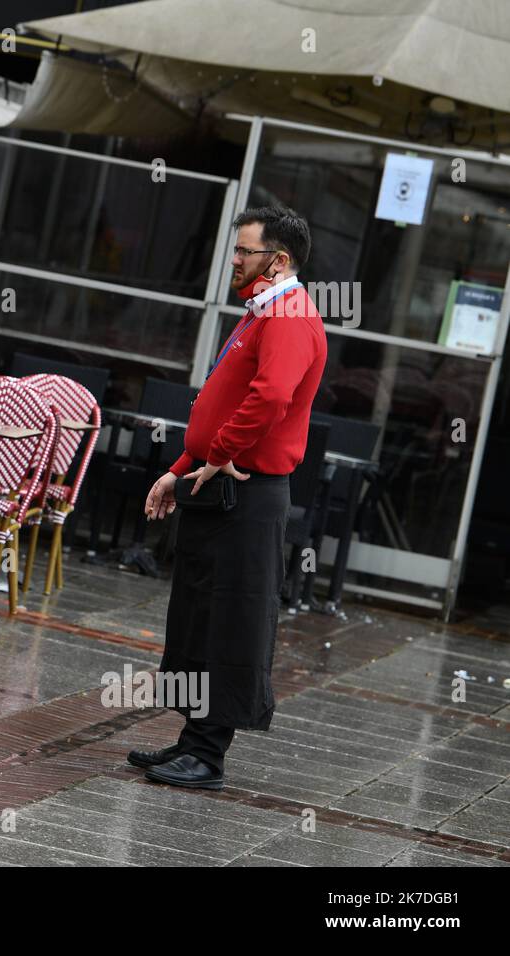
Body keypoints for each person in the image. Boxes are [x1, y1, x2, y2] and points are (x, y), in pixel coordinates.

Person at [127, 205, 327, 789]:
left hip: (247, 492)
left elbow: (269, 398)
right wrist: (184, 467)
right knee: (198, 615)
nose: (234, 260)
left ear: (279, 259)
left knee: (231, 621)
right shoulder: (261, 312)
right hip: (219, 486)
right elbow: (228, 401)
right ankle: (192, 741)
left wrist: (217, 457)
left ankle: (208, 755)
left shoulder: (289, 313)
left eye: (244, 251)